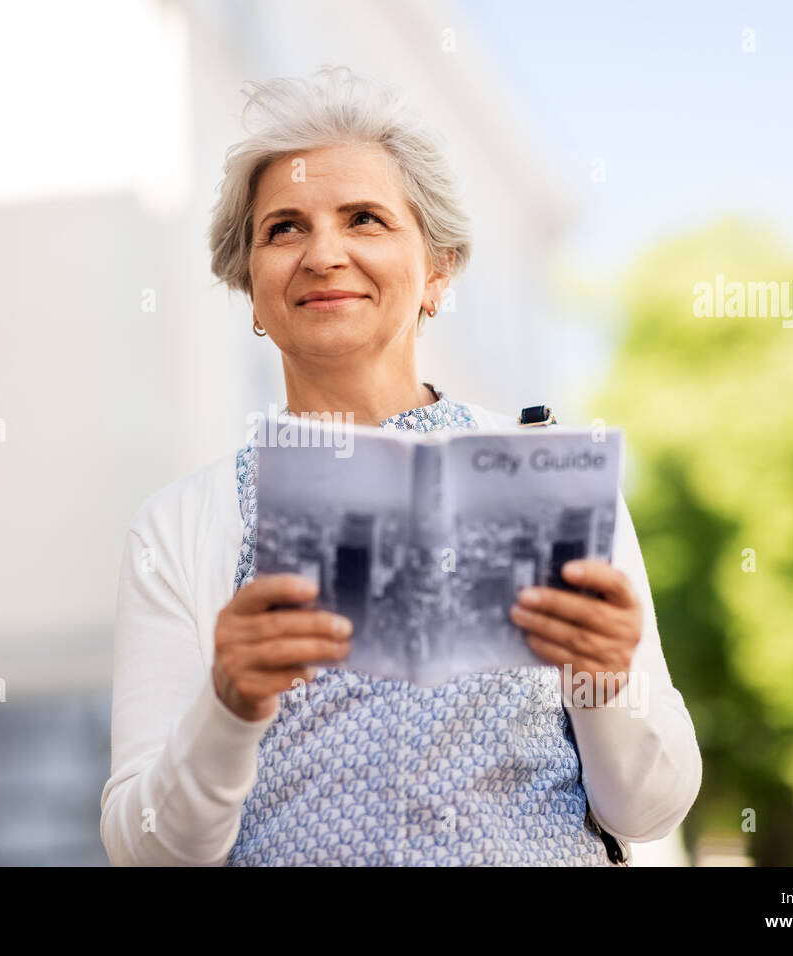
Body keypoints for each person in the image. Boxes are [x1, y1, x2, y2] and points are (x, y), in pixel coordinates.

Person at [100, 65, 701, 866]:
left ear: (438, 270)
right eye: (283, 228)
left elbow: (650, 809)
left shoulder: (549, 485)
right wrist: (227, 704)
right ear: (251, 287)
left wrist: (607, 677)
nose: (323, 254)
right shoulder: (180, 527)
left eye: (365, 219)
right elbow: (144, 851)